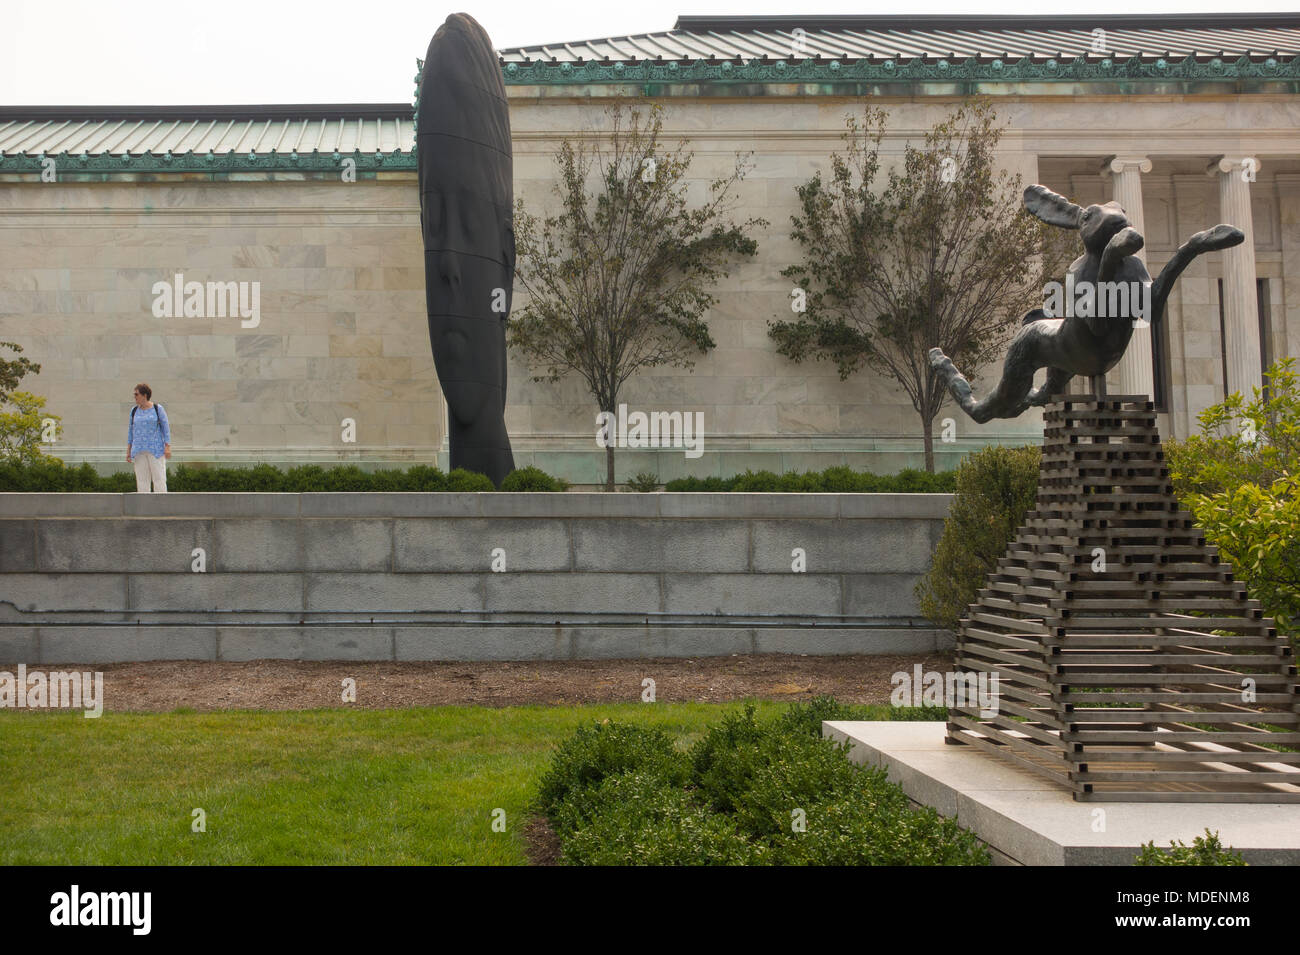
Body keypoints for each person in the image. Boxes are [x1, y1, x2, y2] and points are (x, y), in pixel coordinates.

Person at [126, 383, 171, 493]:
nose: (135, 397)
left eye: (137, 394)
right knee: (142, 481)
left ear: (144, 395)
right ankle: (144, 508)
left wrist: (167, 447)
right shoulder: (134, 411)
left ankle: (161, 507)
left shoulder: (157, 408)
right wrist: (128, 450)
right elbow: (130, 431)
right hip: (138, 450)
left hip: (155, 449)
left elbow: (166, 428)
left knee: (159, 479)